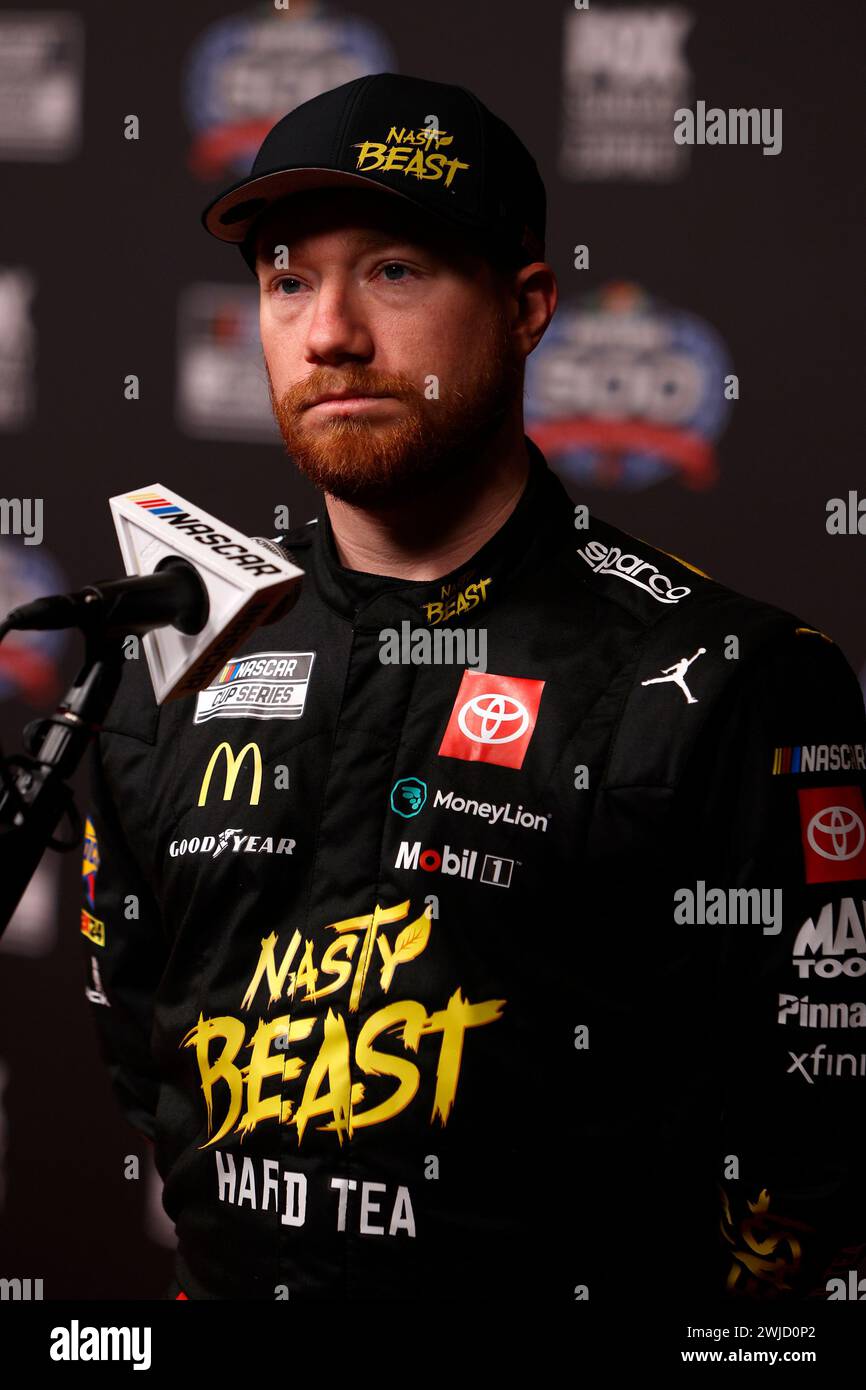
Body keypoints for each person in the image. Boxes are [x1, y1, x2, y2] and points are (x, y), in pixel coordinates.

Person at [81, 72, 866, 1304]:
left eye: (393, 271)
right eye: (288, 279)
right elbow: (149, 1064)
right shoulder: (167, 668)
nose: (329, 331)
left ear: (524, 306)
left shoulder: (731, 681)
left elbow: (809, 1157)